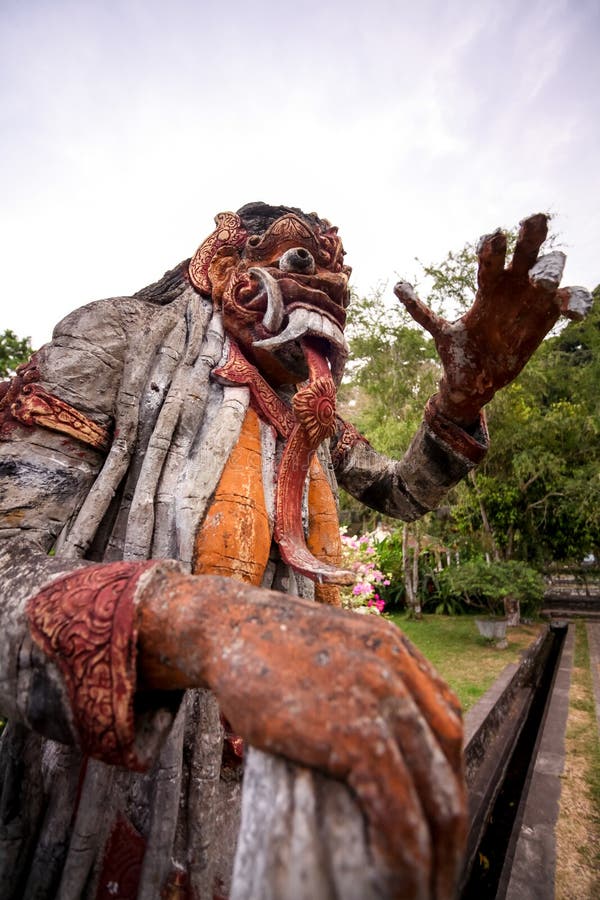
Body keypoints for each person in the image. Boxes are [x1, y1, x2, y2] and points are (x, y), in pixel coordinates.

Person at [0, 203, 591, 899]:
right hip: (114, 783)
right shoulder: (115, 340)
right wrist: (214, 627)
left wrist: (460, 402)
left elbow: (402, 493)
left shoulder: (311, 412)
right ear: (224, 267)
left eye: (342, 283)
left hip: (267, 765)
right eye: (302, 264)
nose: (331, 292)